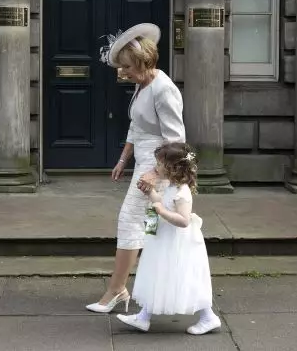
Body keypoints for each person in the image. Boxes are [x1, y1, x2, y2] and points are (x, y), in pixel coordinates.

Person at [85, 23, 185, 313]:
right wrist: (122, 159)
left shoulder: (163, 89)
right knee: (150, 228)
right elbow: (137, 125)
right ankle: (151, 289)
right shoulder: (143, 85)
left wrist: (155, 173)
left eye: (127, 66)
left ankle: (117, 290)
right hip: (143, 164)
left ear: (143, 61)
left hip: (155, 171)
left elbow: (177, 140)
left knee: (129, 222)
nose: (123, 72)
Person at [117, 142, 220, 335]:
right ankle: (143, 317)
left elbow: (183, 220)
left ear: (173, 168)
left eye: (159, 164)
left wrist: (161, 211)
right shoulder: (172, 187)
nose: (156, 168)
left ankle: (209, 317)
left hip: (178, 243)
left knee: (182, 276)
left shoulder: (182, 192)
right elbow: (161, 202)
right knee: (159, 273)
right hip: (166, 239)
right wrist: (151, 193)